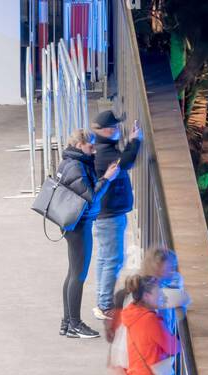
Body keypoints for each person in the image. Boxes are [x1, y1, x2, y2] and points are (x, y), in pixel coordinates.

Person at [55, 130, 119, 339]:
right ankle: (75, 324)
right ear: (80, 144)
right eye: (90, 146)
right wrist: (107, 179)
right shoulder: (75, 166)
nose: (94, 151)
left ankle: (67, 323)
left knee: (73, 274)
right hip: (79, 225)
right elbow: (91, 196)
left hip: (74, 224)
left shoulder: (70, 161)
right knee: (78, 275)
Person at [90, 110, 142, 319]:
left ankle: (101, 302)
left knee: (104, 259)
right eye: (115, 127)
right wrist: (135, 141)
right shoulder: (106, 154)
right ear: (107, 130)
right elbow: (126, 162)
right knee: (112, 260)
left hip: (104, 214)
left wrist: (130, 142)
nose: (117, 130)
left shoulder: (102, 149)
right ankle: (105, 306)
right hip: (109, 215)